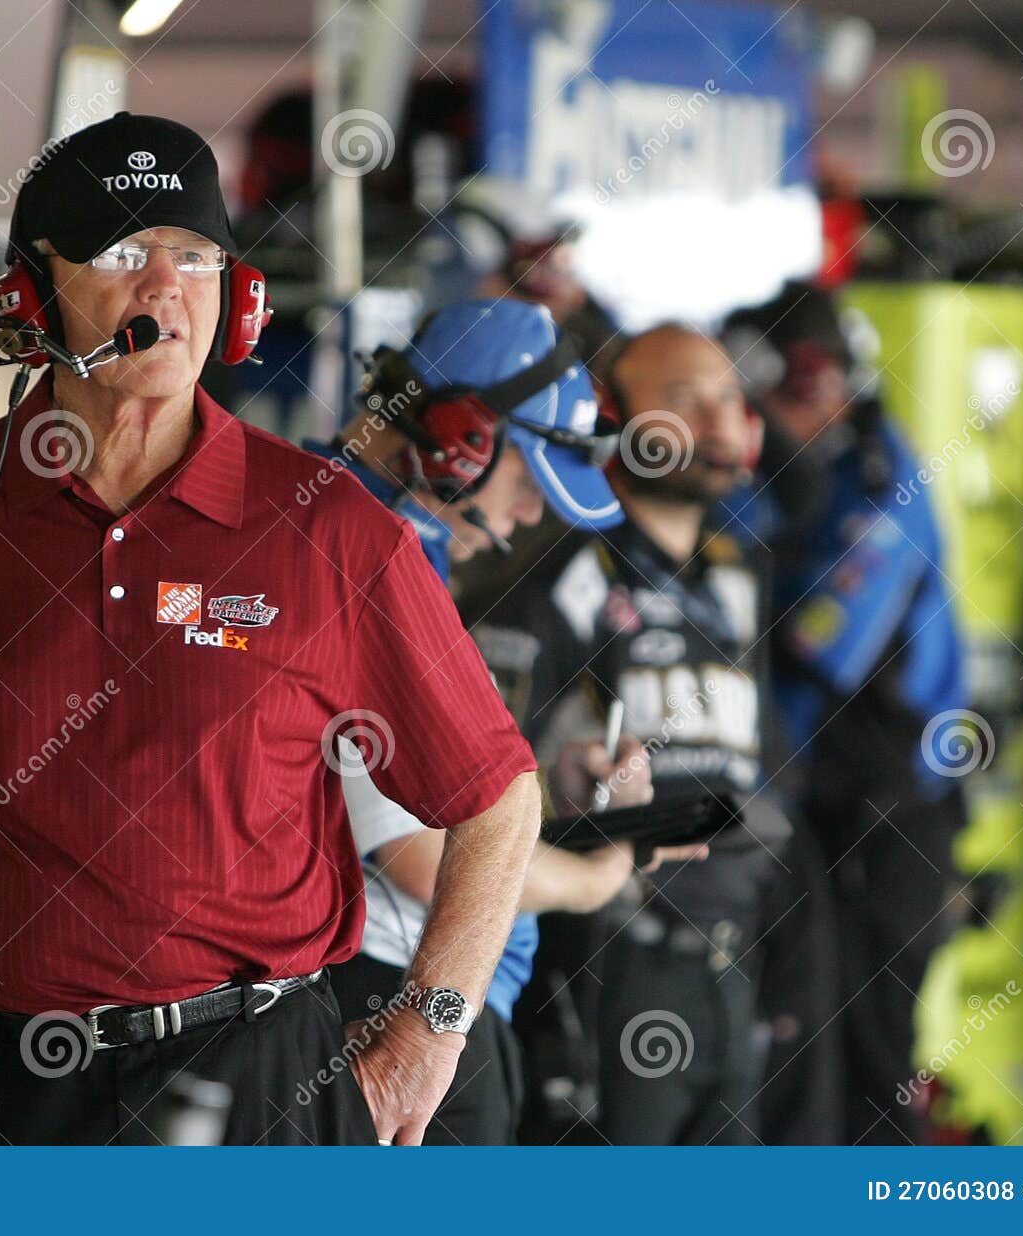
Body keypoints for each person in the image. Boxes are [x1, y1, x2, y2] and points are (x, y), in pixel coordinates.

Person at [0, 113, 543, 1148]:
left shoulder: (333, 530)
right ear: (31, 294)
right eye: (122, 253)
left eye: (195, 257)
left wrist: (429, 1036)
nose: (164, 289)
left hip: (267, 1086)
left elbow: (497, 798)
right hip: (6, 1094)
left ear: (237, 298)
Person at [309, 298, 711, 1144]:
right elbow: (419, 857)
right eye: (531, 483)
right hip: (393, 995)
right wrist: (595, 876)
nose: (530, 517)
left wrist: (544, 799)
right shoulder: (360, 549)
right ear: (461, 444)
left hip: (421, 995)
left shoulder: (386, 542)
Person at [460, 323, 791, 1145]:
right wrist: (564, 782)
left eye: (727, 398)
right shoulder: (559, 580)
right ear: (615, 419)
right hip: (605, 961)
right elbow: (464, 785)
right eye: (684, 401)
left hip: (734, 959)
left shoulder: (740, 576)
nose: (717, 421)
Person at [723, 281, 966, 1144]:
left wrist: (747, 555)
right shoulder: (773, 479)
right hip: (805, 808)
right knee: (797, 1052)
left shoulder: (877, 475)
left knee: (874, 1058)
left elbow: (826, 640)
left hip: (891, 809)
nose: (766, 422)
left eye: (786, 395)